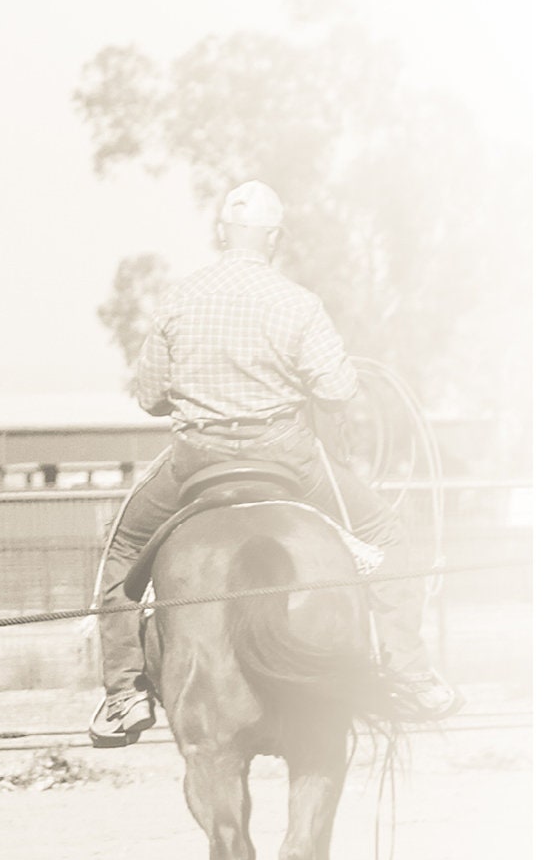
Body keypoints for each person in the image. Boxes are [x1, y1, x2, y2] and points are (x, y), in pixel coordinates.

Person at [87, 180, 459, 746]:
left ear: (220, 232)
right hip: (285, 453)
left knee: (120, 550)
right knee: (385, 531)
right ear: (275, 238)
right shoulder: (297, 302)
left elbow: (150, 397)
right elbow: (335, 391)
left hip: (197, 456)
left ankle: (123, 693)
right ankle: (410, 674)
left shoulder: (179, 298)